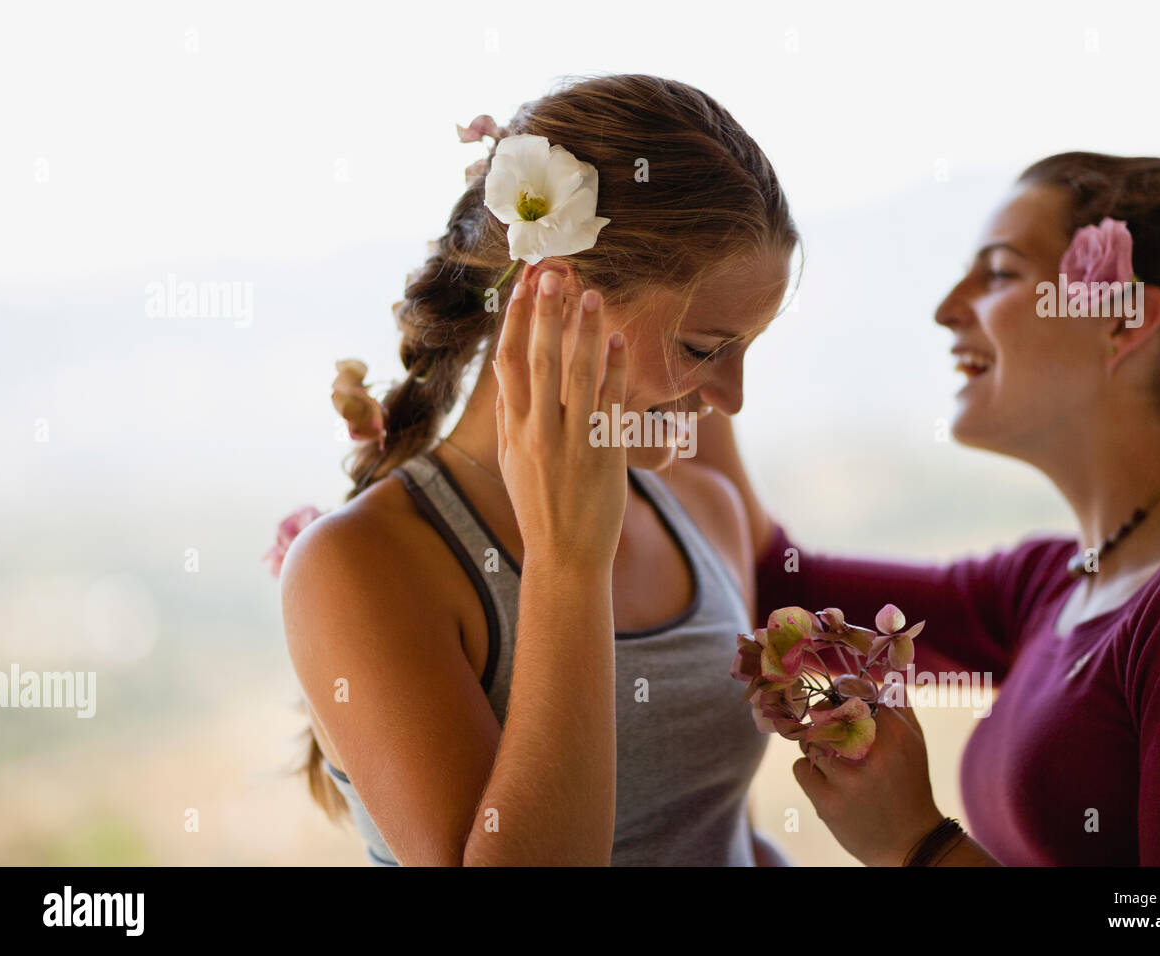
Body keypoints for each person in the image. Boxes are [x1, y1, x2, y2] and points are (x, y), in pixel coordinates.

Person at [693, 153, 1160, 865]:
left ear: (1122, 323)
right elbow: (772, 577)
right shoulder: (1056, 581)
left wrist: (919, 844)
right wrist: (693, 330)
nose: (948, 307)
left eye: (1002, 273)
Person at [278, 74, 798, 865]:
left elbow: (725, 836)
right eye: (702, 348)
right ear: (553, 292)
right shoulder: (359, 567)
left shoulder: (705, 510)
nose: (730, 398)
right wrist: (565, 563)